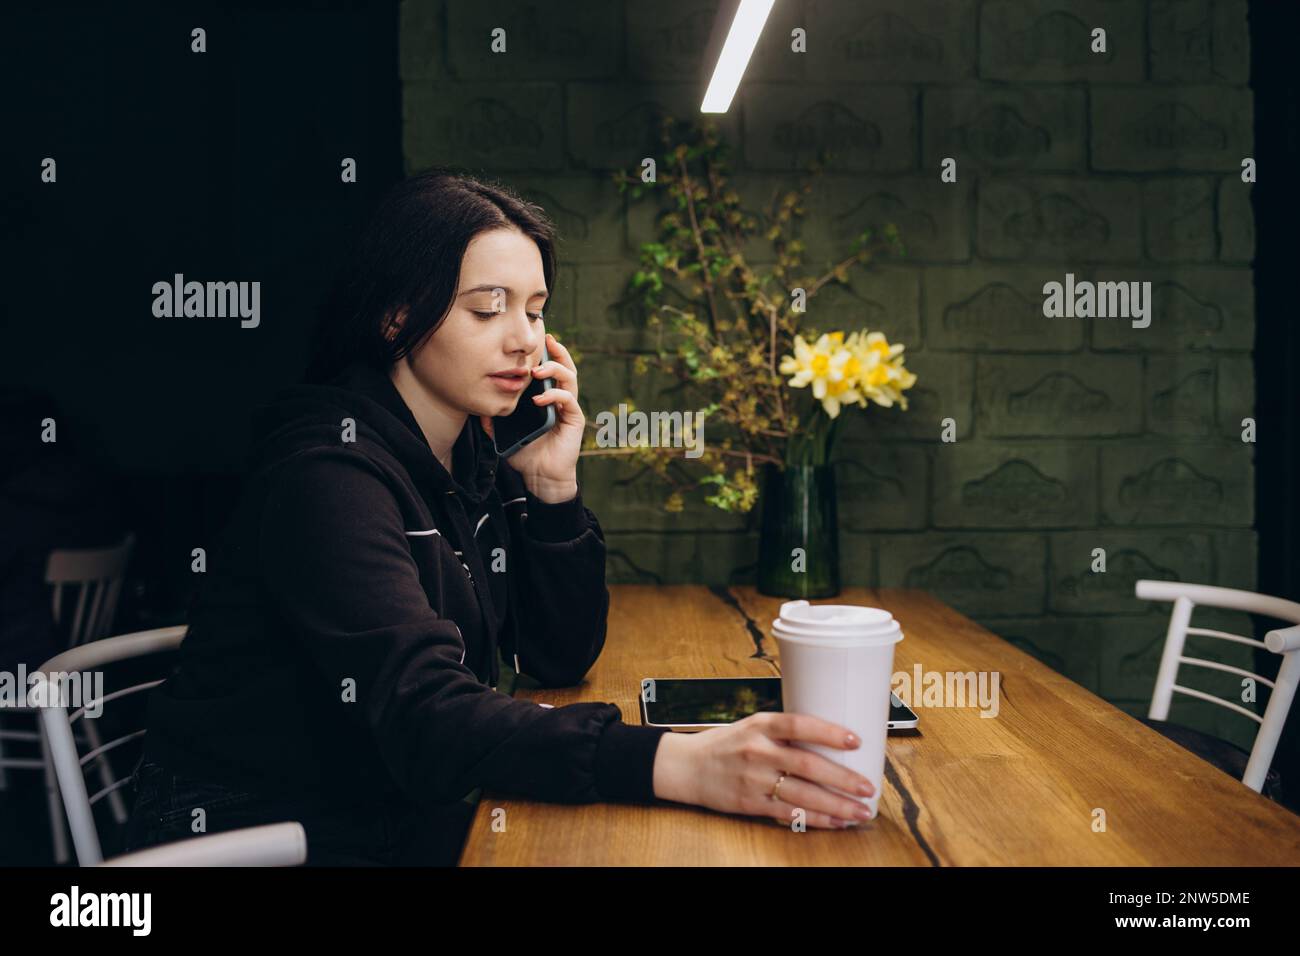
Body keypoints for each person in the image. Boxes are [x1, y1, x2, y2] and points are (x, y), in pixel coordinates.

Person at [124, 168, 876, 866]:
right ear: (395, 318)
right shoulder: (326, 476)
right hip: (264, 830)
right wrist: (677, 760)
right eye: (488, 308)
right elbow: (428, 720)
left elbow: (557, 655)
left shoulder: (470, 459)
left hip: (392, 801)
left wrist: (553, 491)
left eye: (536, 311)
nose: (523, 338)